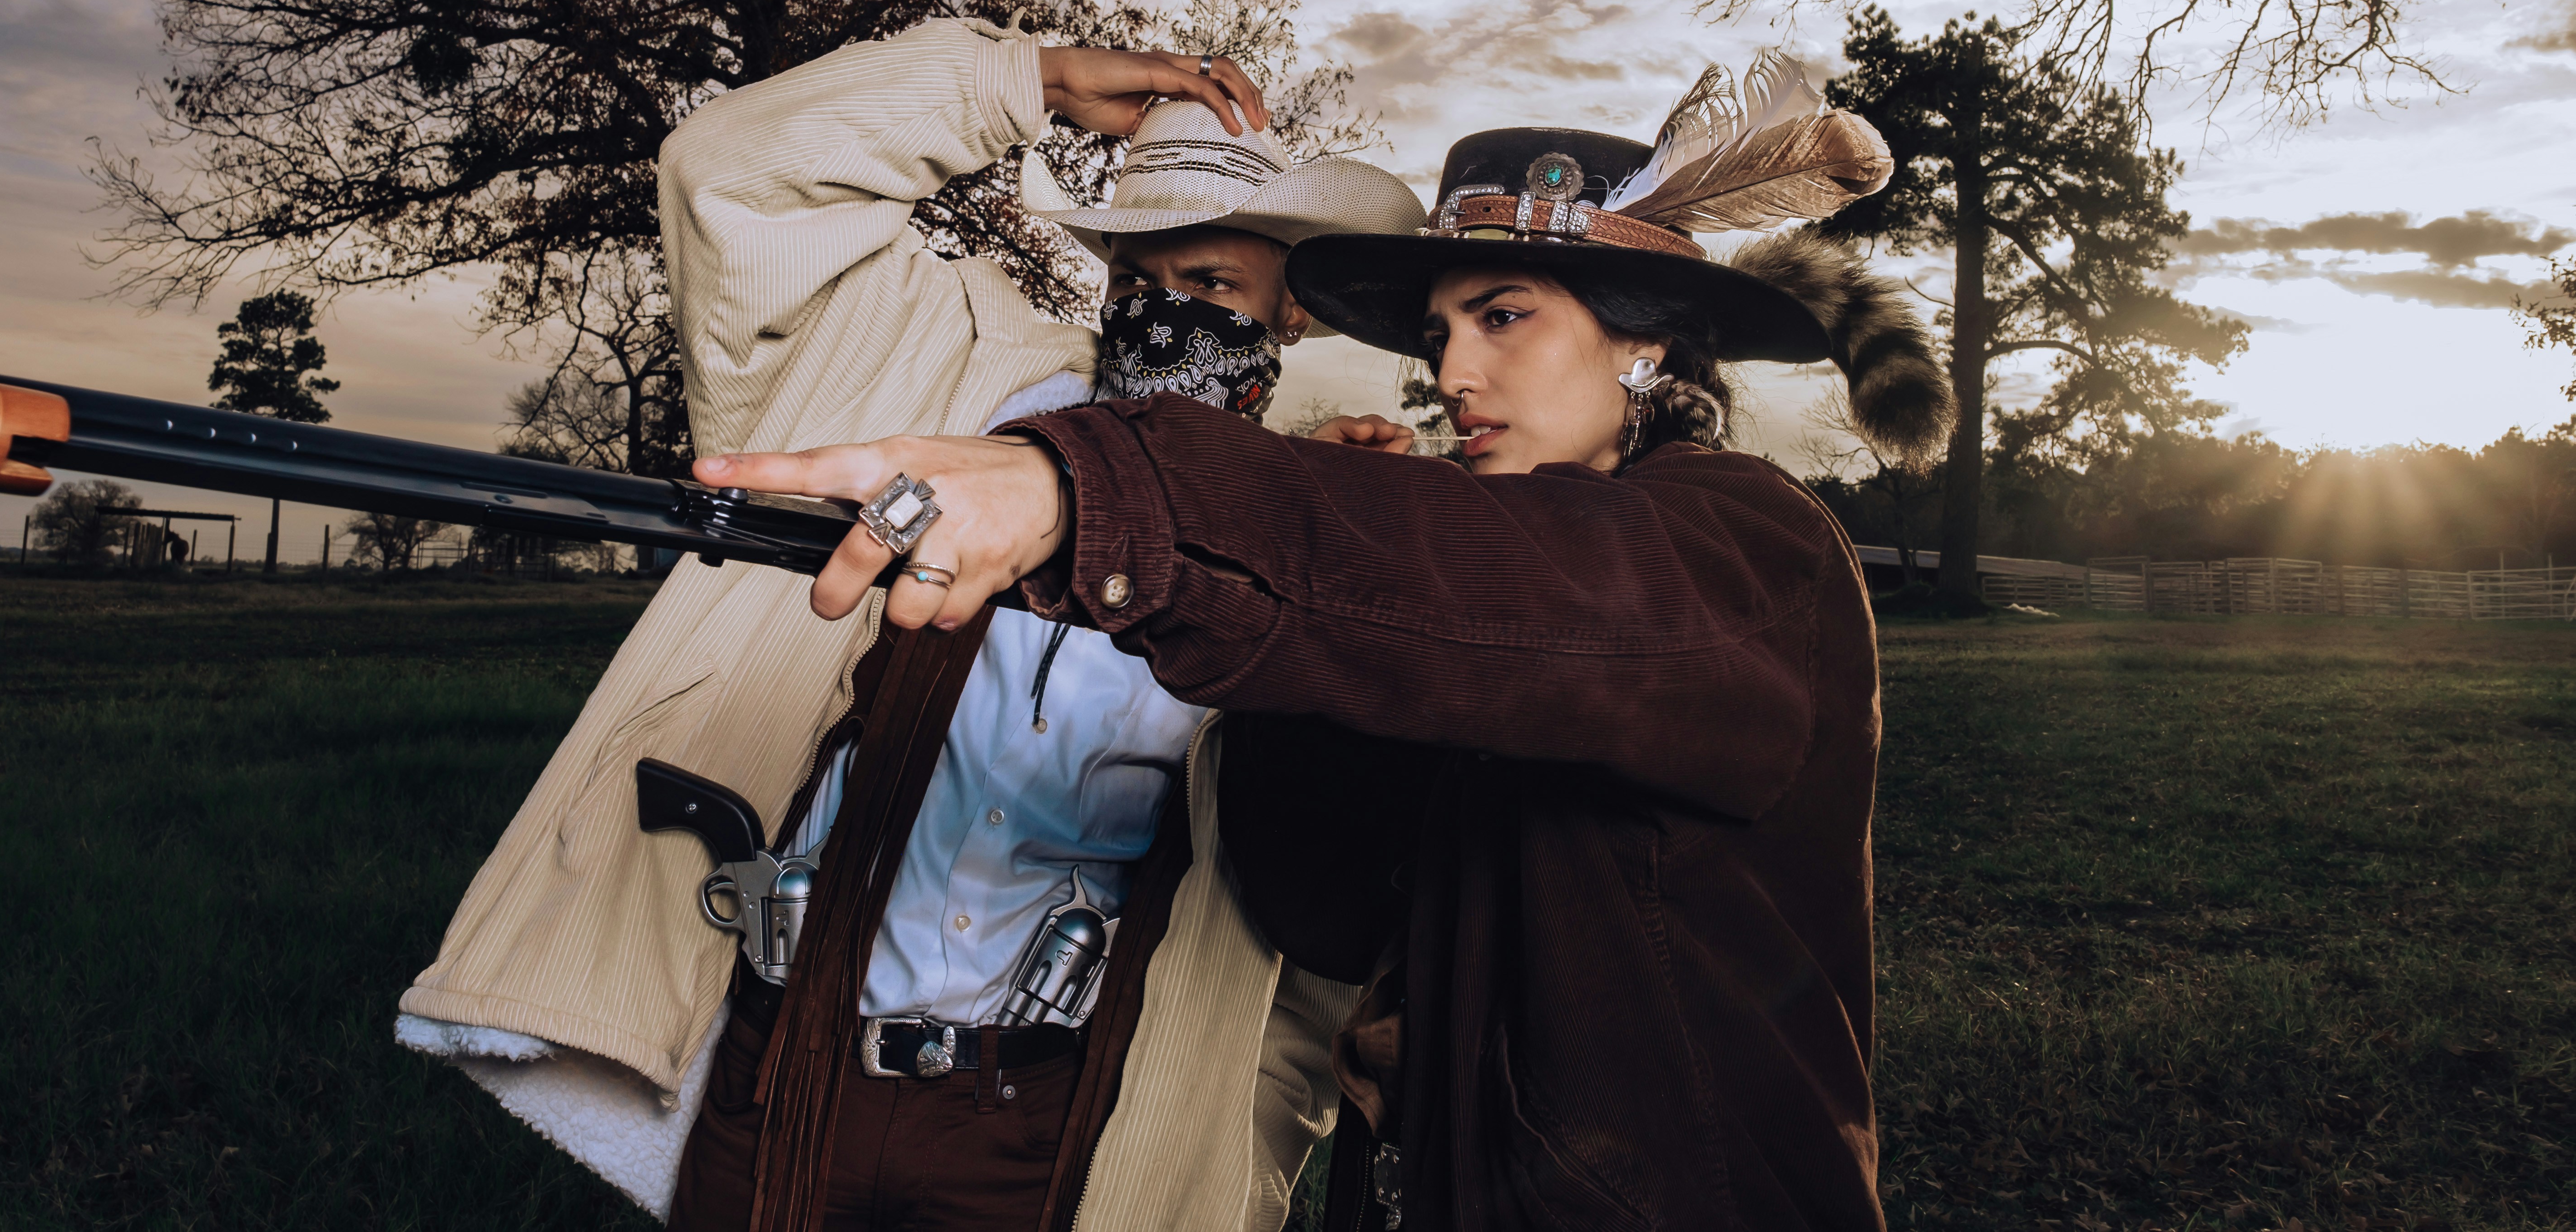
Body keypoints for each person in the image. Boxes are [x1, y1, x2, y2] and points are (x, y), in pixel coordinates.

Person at [707, 71, 1959, 1230]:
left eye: (1502, 317)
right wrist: (1325, 643)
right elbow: (1324, 903)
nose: (1451, 374)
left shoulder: (1743, 541)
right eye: (1435, 338)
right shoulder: (1495, 561)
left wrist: (1104, 497)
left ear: (1645, 340)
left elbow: (1539, 591)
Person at [393, 16, 1426, 1232]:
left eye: (1209, 288)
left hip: (1046, 1120)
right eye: (1137, 283)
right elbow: (729, 178)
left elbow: (1313, 929)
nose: (1164, 318)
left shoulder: (1301, 539)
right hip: (791, 1070)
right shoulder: (940, 381)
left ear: (1290, 317)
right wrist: (1019, 78)